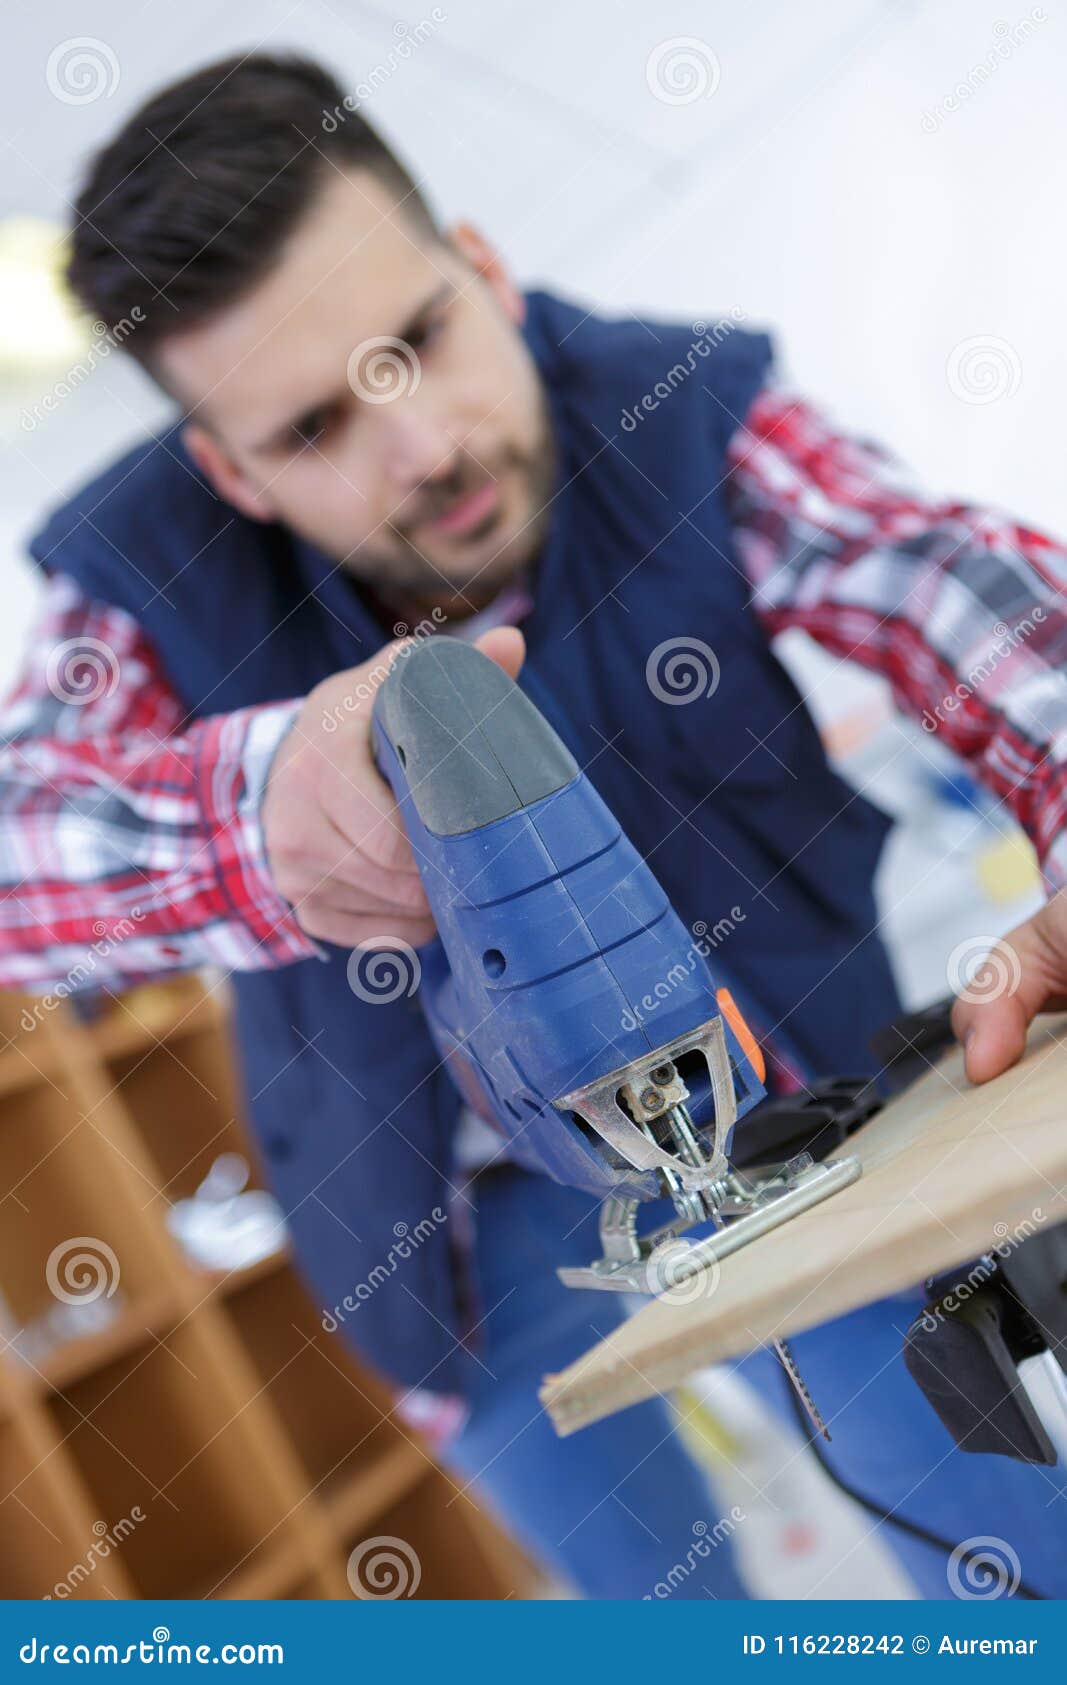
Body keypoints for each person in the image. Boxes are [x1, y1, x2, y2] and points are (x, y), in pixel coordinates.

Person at [6, 51, 1067, 1599]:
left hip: (794, 1137)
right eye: (314, 428)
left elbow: (945, 581)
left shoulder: (687, 411)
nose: (422, 445)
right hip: (444, 1251)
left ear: (485, 269)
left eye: (419, 340)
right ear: (227, 471)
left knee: (1016, 1570)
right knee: (659, 1623)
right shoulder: (139, 571)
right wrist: (259, 818)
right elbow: (22, 842)